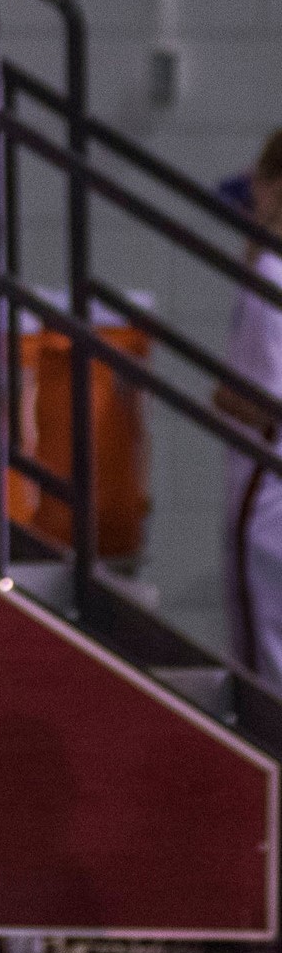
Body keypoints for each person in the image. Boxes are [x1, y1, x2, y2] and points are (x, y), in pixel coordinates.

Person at [216, 128, 282, 688]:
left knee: (264, 671)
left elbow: (257, 402)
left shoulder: (269, 275)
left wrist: (220, 396)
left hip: (270, 492)